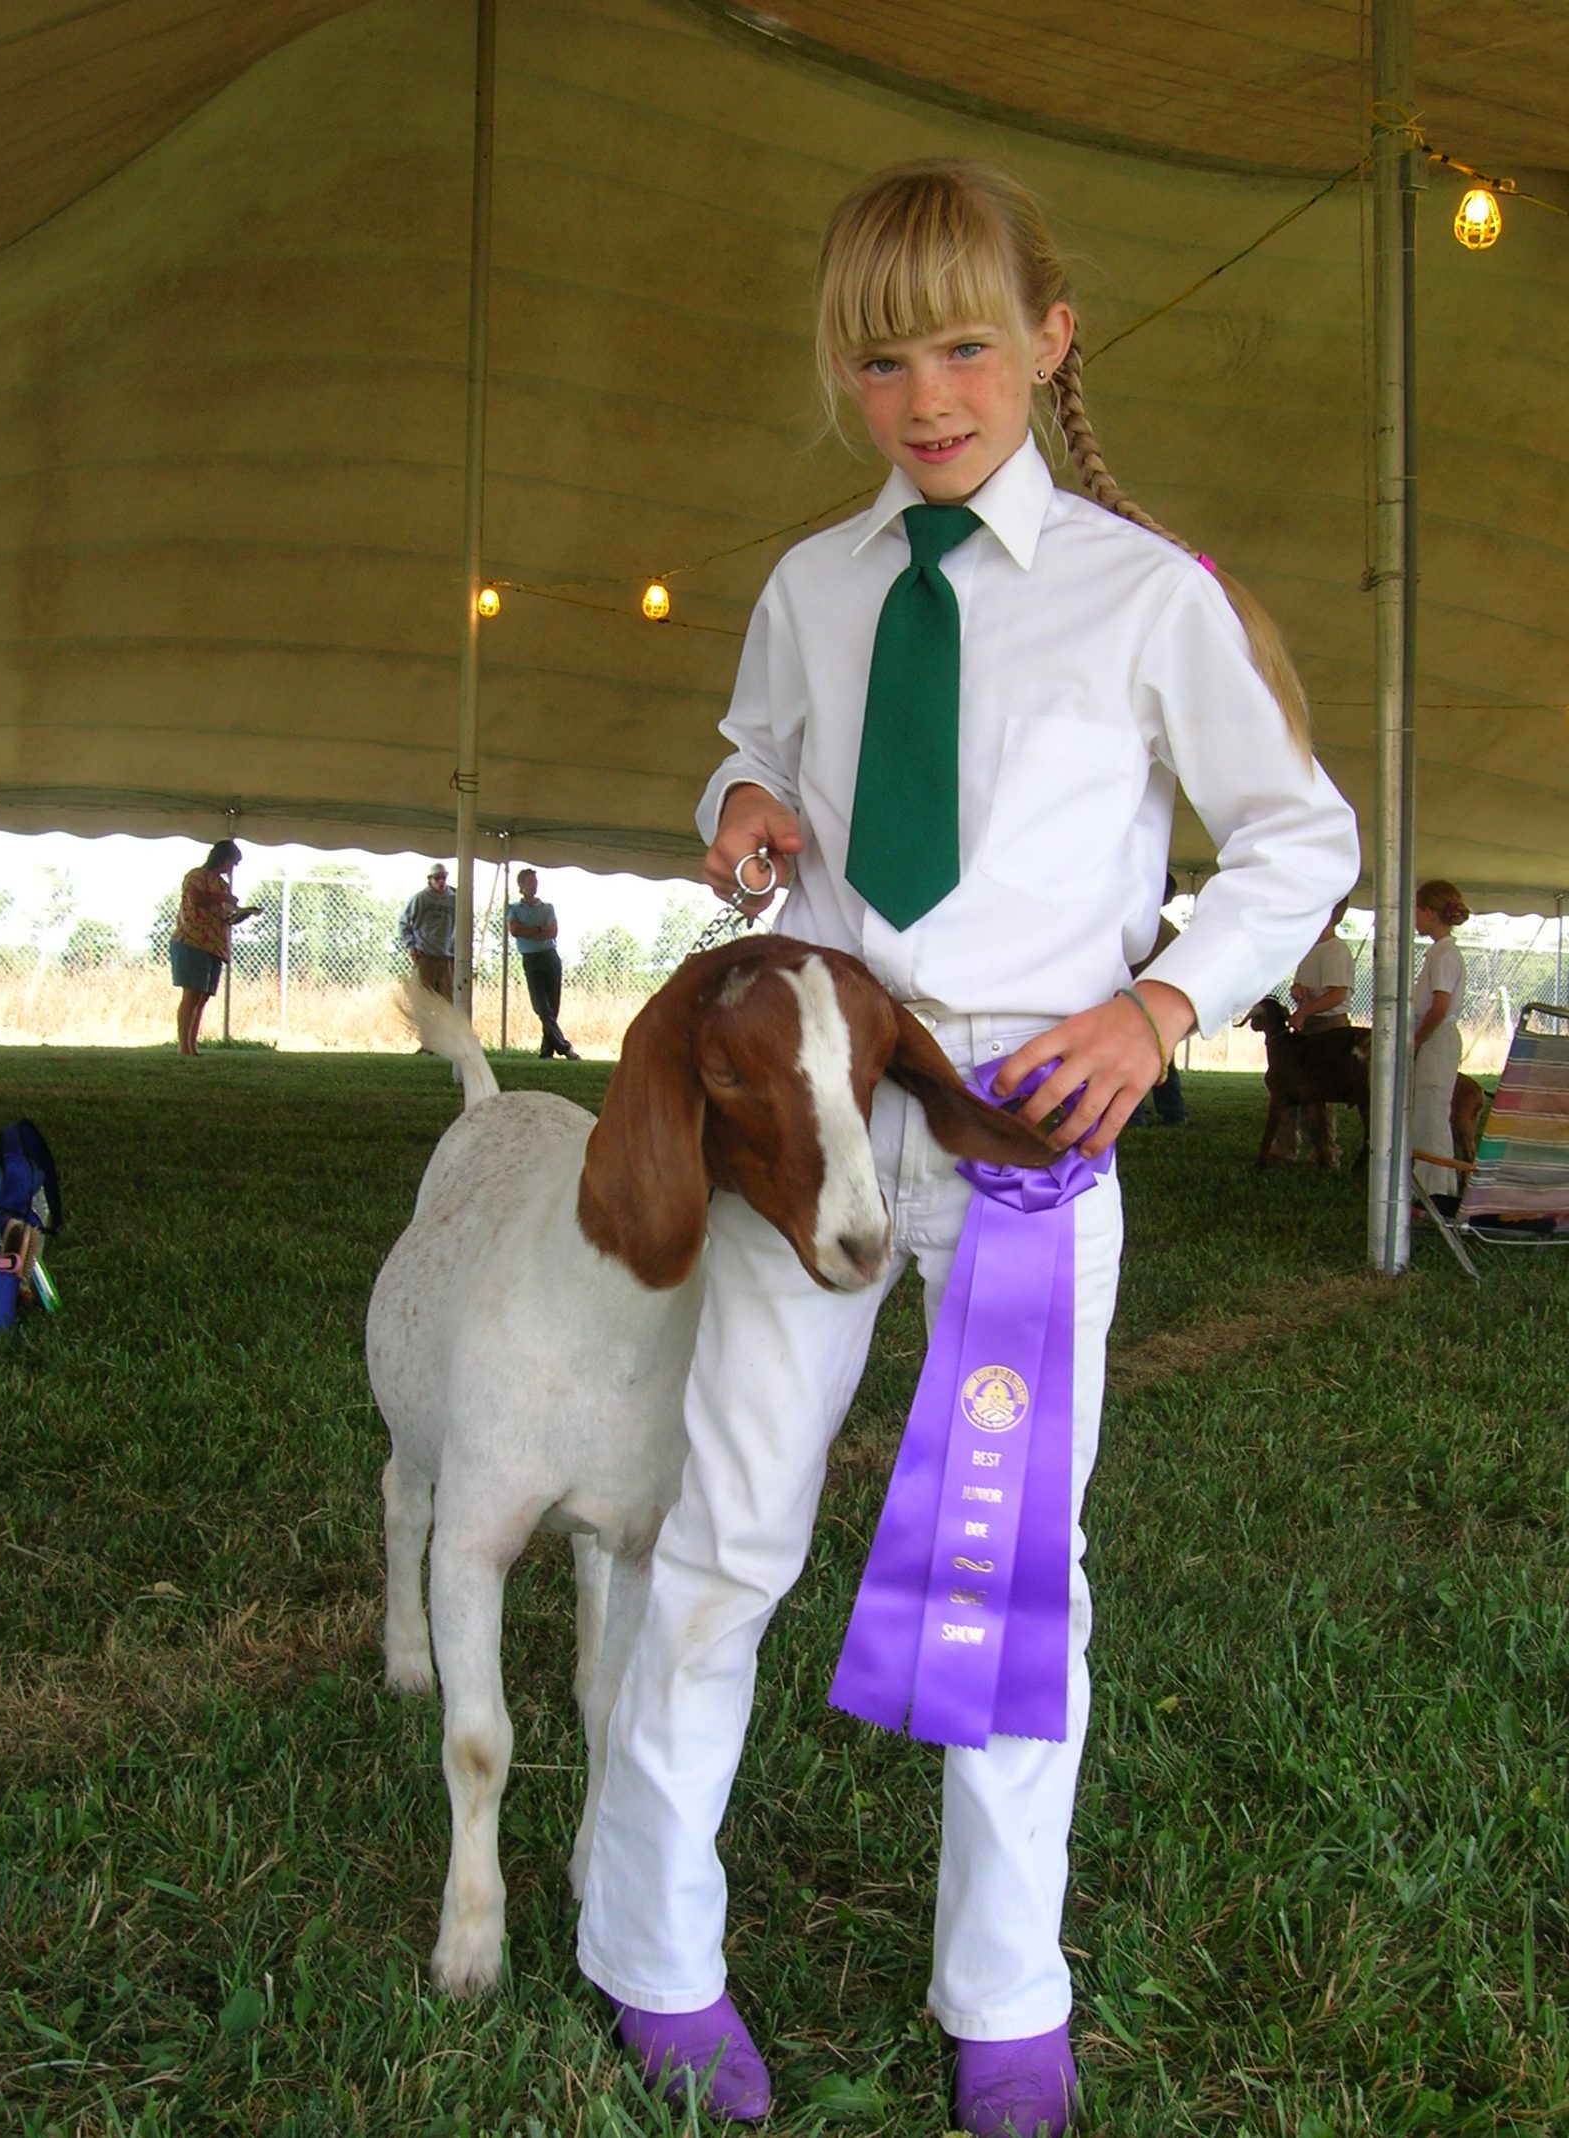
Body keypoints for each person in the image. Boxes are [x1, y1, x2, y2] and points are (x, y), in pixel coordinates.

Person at [575, 159, 1359, 2136]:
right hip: (821, 1102)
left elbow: (1296, 834)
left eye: (962, 345)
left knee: (1020, 1568)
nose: (922, 396)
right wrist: (745, 804)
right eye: (876, 358)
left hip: (1027, 1124)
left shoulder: (1140, 596)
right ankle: (646, 1941)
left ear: (1048, 338)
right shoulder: (808, 584)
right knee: (728, 1526)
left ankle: (1004, 1998)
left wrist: (1164, 1000)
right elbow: (755, 745)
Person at [1273, 894, 1355, 1162]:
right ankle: (1286, 1146)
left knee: (1319, 1093)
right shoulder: (1309, 948)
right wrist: (1299, 992)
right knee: (1291, 1086)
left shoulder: (1335, 950)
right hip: (1308, 1025)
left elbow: (1337, 994)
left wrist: (1304, 1011)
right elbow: (1304, 986)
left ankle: (1325, 1151)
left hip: (1329, 1027)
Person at [169, 839, 260, 1055]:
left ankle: (192, 1045)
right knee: (191, 994)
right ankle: (184, 1046)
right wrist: (224, 897)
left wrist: (243, 914)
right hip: (192, 940)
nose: (232, 868)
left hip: (214, 946)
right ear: (223, 858)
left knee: (202, 996)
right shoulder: (197, 875)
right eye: (233, 862)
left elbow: (226, 916)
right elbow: (195, 899)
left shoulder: (221, 884)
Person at [1410, 879, 1469, 1203]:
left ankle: (1438, 1191)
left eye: (1417, 911)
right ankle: (1428, 1184)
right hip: (1433, 1039)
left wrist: (1418, 1039)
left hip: (1437, 1039)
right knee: (1425, 1113)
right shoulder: (1439, 952)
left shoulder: (1445, 955)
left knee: (1432, 1113)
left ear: (1429, 912)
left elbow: (1440, 1005)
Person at [1126, 873, 1189, 1126]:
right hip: (1163, 1003)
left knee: (1132, 1059)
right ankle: (1174, 1113)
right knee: (1164, 1061)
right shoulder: (1169, 929)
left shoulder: (1134, 925)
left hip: (1133, 999)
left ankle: (1134, 1116)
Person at [506, 867, 579, 1059]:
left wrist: (530, 930)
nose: (534, 886)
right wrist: (539, 929)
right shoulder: (514, 909)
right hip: (531, 959)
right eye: (530, 882)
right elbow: (514, 930)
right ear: (521, 886)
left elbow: (552, 931)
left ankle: (547, 1051)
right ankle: (564, 1047)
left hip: (550, 957)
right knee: (541, 1006)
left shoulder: (547, 907)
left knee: (552, 1007)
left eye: (535, 882)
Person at [399, 862, 456, 1000]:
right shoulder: (420, 899)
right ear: (430, 880)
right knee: (423, 1000)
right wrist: (411, 946)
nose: (441, 882)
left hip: (446, 957)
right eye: (437, 878)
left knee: (446, 1001)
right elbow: (403, 923)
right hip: (425, 956)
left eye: (443, 877)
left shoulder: (454, 899)